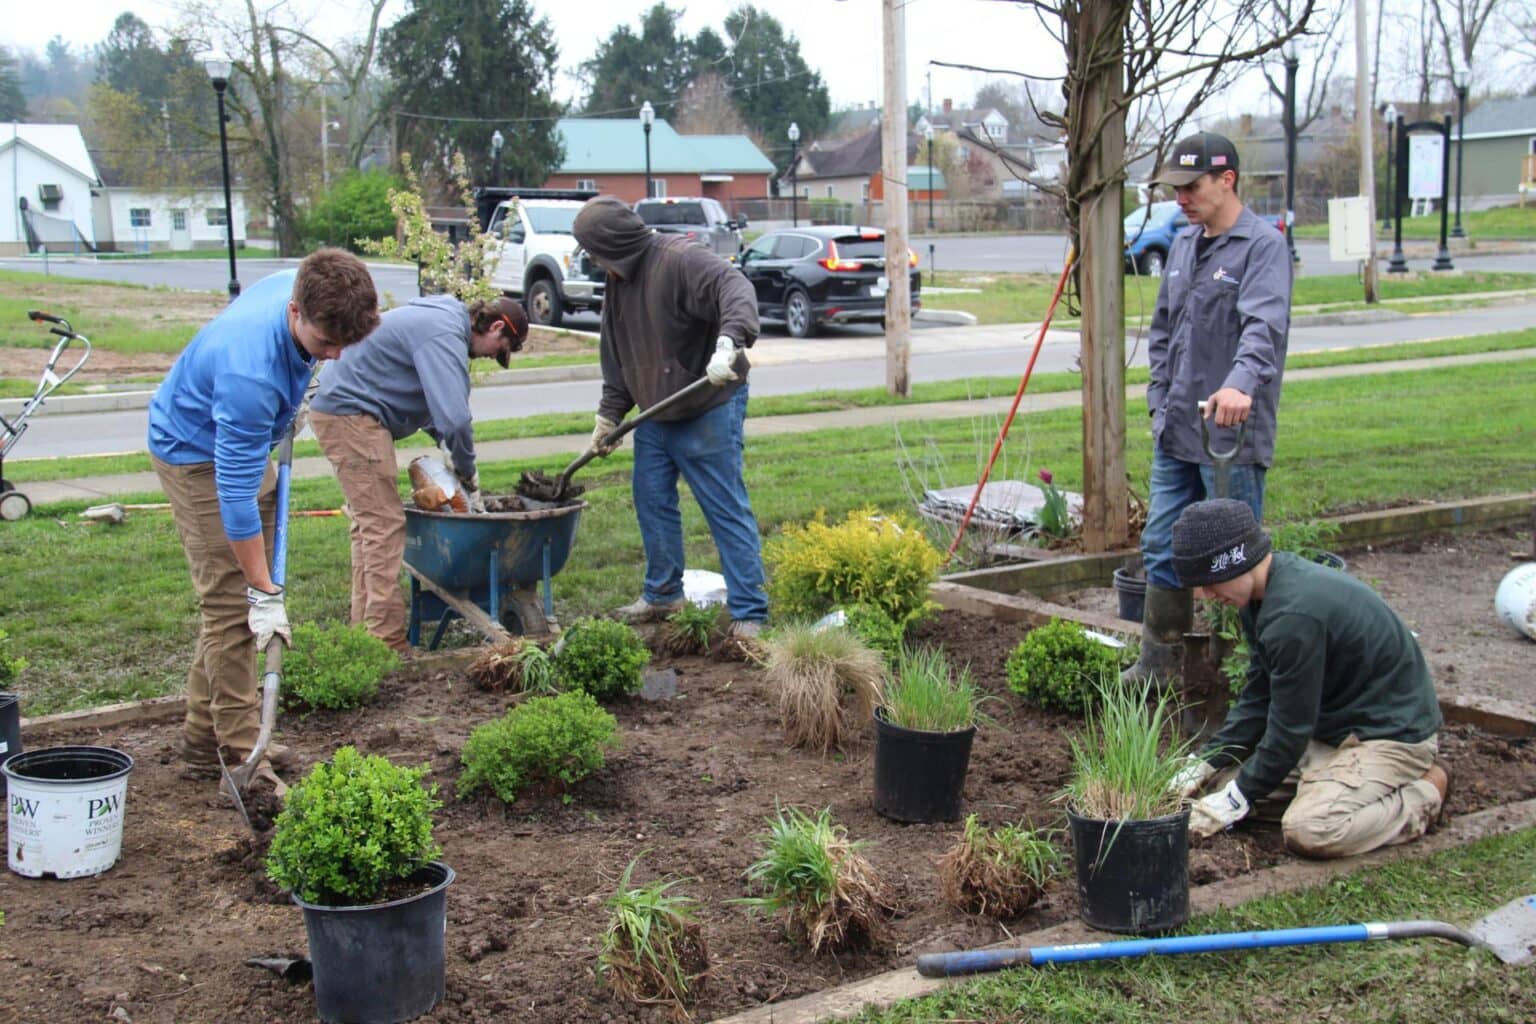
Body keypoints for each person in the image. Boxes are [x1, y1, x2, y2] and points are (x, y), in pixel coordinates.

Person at [148, 250, 380, 796]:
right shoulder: (251, 375)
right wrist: (263, 590)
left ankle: (201, 742)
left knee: (233, 604)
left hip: (246, 441)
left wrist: (298, 387)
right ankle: (241, 758)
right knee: (235, 610)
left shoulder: (303, 289)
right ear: (295, 311)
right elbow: (234, 498)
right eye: (326, 343)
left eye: (344, 343)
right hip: (195, 452)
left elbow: (310, 351)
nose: (335, 354)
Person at [1168, 499, 1448, 857]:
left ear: (1236, 560)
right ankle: (1326, 786)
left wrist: (1239, 798)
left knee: (1311, 829)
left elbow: (1290, 729)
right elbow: (1260, 696)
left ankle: (1427, 790)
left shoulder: (1293, 617)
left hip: (1388, 735)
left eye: (1208, 582)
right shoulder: (1260, 596)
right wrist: (1205, 762)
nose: (1203, 595)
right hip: (1334, 732)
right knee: (1218, 786)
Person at [1124, 131, 1294, 686]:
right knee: (1161, 544)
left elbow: (1263, 327)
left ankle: (1245, 674)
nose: (1181, 198)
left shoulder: (1262, 247)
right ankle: (1160, 666)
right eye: (1175, 188)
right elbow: (1163, 332)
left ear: (1227, 180)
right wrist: (1157, 401)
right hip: (1176, 428)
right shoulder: (1182, 245)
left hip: (1228, 435)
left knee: (1233, 557)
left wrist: (1240, 384)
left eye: (1191, 186)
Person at [572, 195, 768, 636]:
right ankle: (663, 594)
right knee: (651, 499)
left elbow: (735, 287)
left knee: (723, 506)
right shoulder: (619, 280)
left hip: (706, 405)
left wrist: (729, 342)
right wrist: (609, 416)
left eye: (594, 251)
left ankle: (749, 613)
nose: (593, 260)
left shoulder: (679, 258)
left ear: (613, 243)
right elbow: (619, 353)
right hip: (655, 413)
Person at [308, 295, 529, 653]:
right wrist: (467, 471)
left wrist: (449, 448)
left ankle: (363, 634)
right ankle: (386, 641)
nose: (493, 356)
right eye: (500, 349)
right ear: (496, 326)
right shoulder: (444, 333)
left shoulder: (442, 322)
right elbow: (455, 420)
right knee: (383, 525)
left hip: (347, 409)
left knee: (369, 526)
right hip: (351, 414)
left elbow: (433, 408)